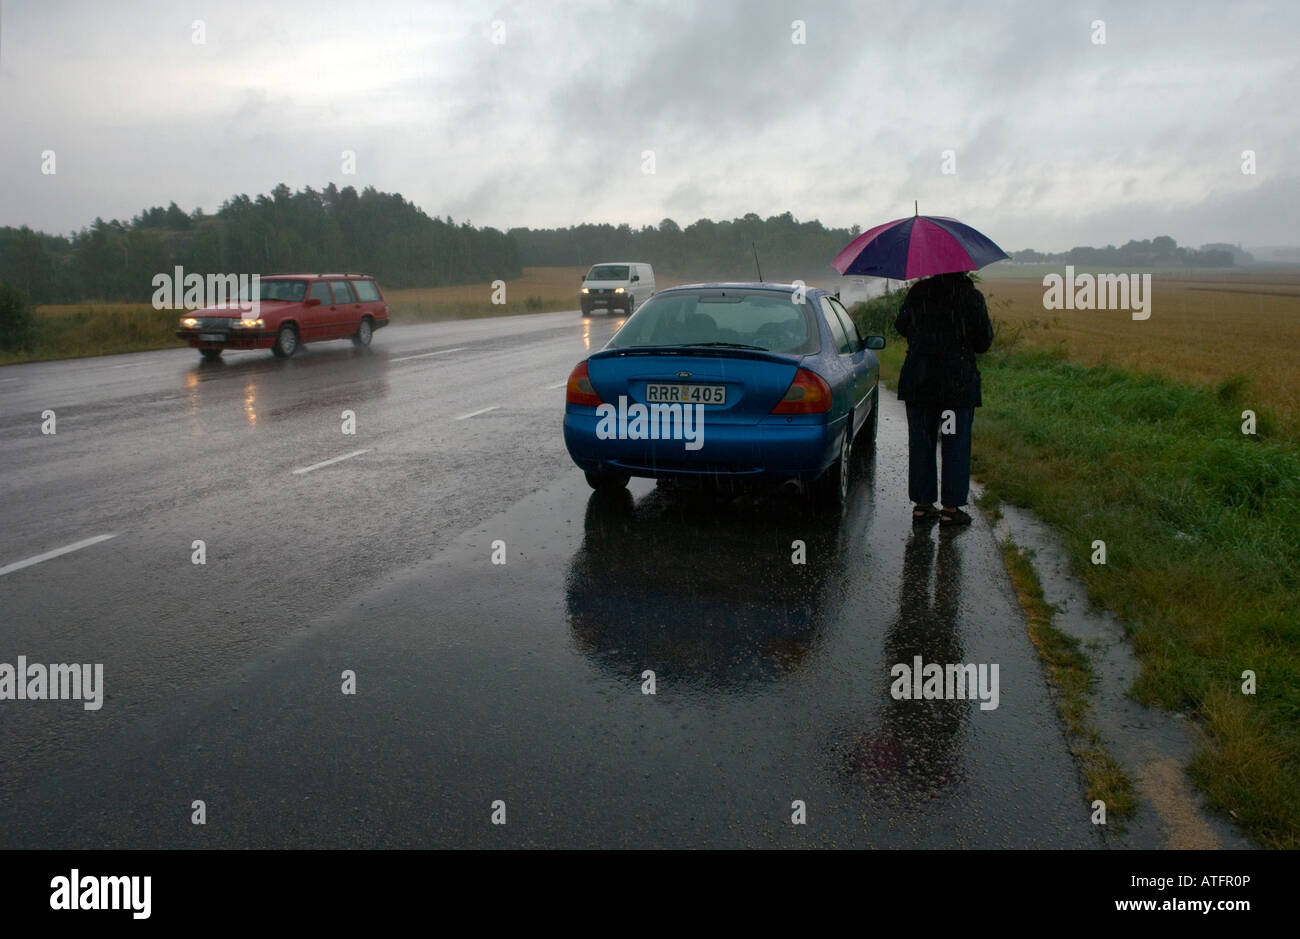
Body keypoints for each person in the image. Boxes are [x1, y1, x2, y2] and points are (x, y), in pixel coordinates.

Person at [893, 271, 994, 526]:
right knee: (955, 445)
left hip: (919, 382)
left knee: (922, 442)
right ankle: (951, 508)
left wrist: (925, 337)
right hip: (956, 387)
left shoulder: (919, 292)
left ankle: (922, 506)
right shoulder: (971, 297)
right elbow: (983, 342)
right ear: (964, 269)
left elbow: (900, 325)